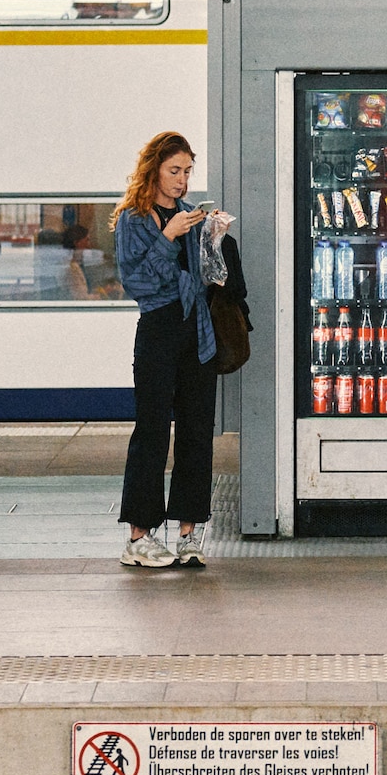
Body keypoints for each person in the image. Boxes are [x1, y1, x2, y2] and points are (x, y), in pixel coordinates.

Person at [112, 131, 227, 569]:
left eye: (187, 171)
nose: (182, 181)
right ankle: (139, 537)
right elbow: (137, 283)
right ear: (154, 170)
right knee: (153, 431)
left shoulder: (189, 215)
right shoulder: (134, 219)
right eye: (174, 171)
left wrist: (213, 240)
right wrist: (167, 235)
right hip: (159, 328)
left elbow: (206, 277)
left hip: (197, 330)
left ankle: (189, 533)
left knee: (198, 432)